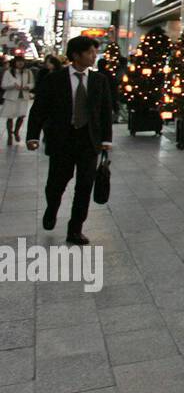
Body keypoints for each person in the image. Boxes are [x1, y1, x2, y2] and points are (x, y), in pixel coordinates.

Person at [26, 36, 114, 246]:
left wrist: (106, 140)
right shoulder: (54, 79)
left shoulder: (99, 81)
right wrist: (32, 135)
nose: (94, 56)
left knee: (84, 186)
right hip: (62, 141)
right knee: (56, 183)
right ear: (76, 55)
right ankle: (52, 208)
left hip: (88, 141)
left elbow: (104, 113)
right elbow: (39, 110)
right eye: (90, 52)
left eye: (95, 52)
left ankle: (75, 229)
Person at [3, 54, 35, 146]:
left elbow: (32, 83)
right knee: (10, 116)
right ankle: (10, 135)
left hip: (23, 97)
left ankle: (16, 132)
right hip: (11, 97)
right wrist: (13, 85)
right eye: (18, 61)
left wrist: (27, 87)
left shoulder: (28, 72)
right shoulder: (9, 72)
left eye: (22, 61)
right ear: (15, 63)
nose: (20, 63)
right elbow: (3, 85)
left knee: (21, 116)